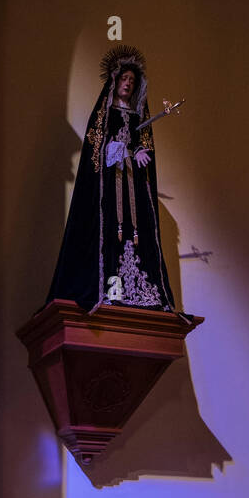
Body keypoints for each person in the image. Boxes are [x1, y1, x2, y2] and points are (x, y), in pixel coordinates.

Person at [46, 45, 176, 313]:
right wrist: (113, 150)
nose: (128, 84)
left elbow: (142, 142)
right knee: (110, 229)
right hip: (110, 185)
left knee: (134, 228)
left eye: (132, 81)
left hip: (132, 184)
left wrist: (138, 151)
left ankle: (137, 285)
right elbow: (96, 149)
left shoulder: (138, 114)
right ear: (115, 81)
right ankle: (109, 285)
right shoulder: (104, 113)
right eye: (124, 79)